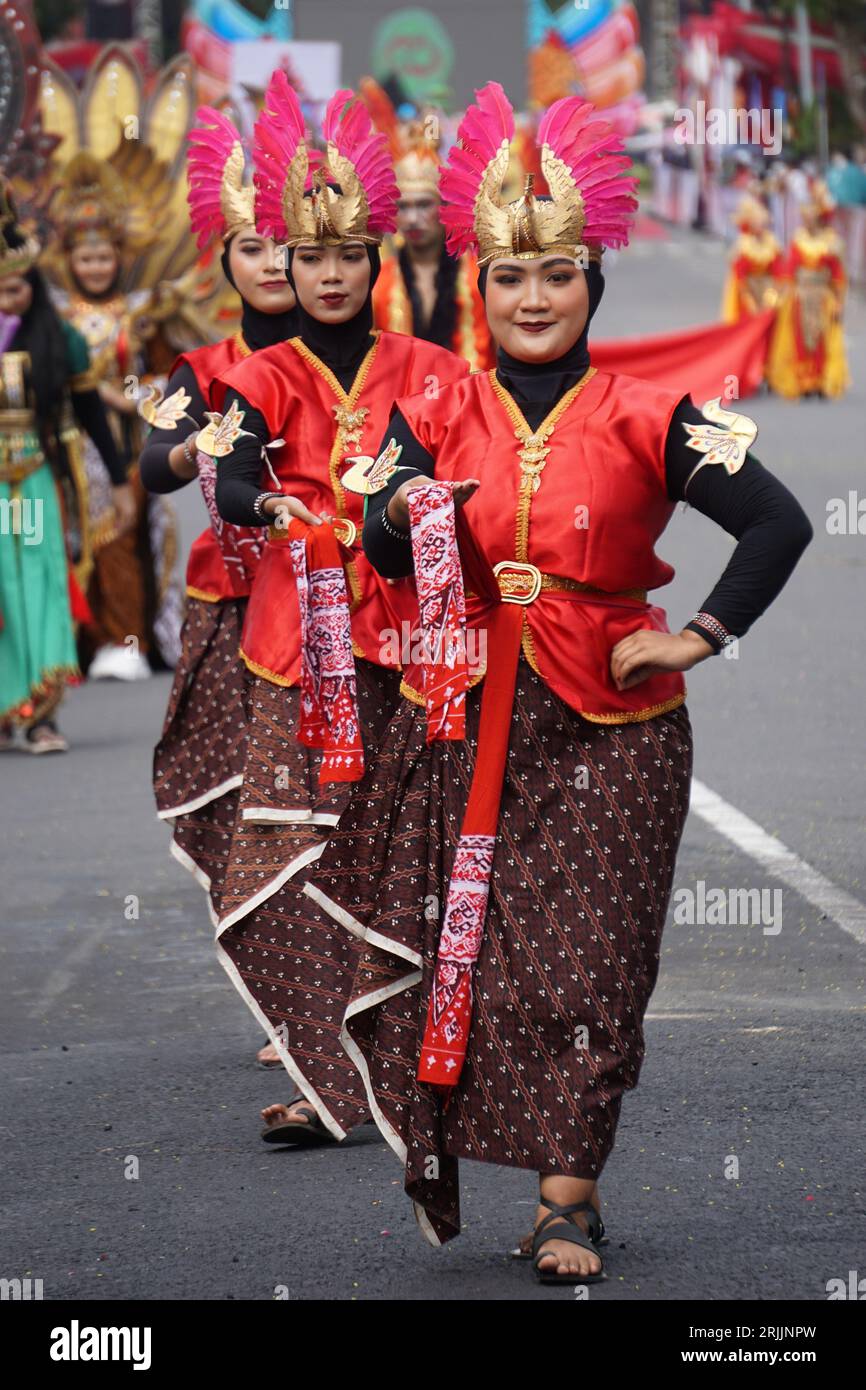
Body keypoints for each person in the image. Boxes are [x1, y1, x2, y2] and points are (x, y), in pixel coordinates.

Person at [299, 83, 813, 1281]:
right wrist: (398, 509)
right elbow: (372, 537)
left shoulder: (651, 414)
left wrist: (695, 634)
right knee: (472, 954)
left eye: (558, 276)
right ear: (478, 288)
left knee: (591, 963)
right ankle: (456, 1146)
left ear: (591, 284)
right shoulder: (434, 409)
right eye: (510, 279)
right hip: (464, 721)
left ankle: (563, 1199)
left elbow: (778, 522)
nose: (533, 299)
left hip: (614, 730)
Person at [204, 74, 470, 1107]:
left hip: (408, 643)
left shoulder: (430, 366)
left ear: (373, 262)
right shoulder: (259, 377)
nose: (321, 273)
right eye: (304, 256)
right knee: (281, 857)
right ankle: (321, 1061)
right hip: (296, 642)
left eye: (342, 256)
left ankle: (374, 1063)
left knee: (393, 849)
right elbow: (230, 475)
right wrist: (271, 509)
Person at [138, 107, 298, 932]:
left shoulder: (354, 358)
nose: (272, 263)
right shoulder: (201, 369)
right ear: (226, 260)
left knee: (332, 805)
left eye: (284, 243)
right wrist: (203, 440)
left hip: (336, 610)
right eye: (251, 247)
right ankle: (283, 986)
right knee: (250, 801)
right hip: (234, 612)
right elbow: (150, 466)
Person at [0, 191, 130, 752]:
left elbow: (91, 415)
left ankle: (42, 711)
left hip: (28, 486)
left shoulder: (59, 339)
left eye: (15, 288)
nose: (8, 300)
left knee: (36, 582)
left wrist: (122, 480)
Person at [49, 152, 183, 679]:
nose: (96, 268)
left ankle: (128, 640)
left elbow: (172, 375)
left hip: (124, 444)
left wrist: (127, 396)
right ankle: (78, 646)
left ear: (119, 256)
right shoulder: (55, 317)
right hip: (67, 446)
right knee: (69, 539)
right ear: (70, 262)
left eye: (104, 258)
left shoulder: (141, 314)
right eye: (86, 260)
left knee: (122, 536)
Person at [372, 121, 494, 370]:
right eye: (403, 207)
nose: (413, 219)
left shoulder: (478, 277)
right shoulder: (379, 283)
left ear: (445, 207)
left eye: (424, 205)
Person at [767, 181, 850, 400]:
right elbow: (789, 272)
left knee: (822, 339)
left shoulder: (831, 242)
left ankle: (822, 380)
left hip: (823, 297)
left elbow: (838, 276)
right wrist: (777, 295)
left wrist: (840, 302)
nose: (809, 220)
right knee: (801, 339)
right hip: (800, 298)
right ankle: (804, 381)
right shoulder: (798, 241)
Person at [721, 192, 784, 324]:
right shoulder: (744, 244)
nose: (761, 226)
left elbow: (779, 270)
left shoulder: (771, 242)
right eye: (757, 223)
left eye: (762, 223)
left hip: (767, 287)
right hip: (747, 290)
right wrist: (748, 298)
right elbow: (740, 275)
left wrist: (773, 294)